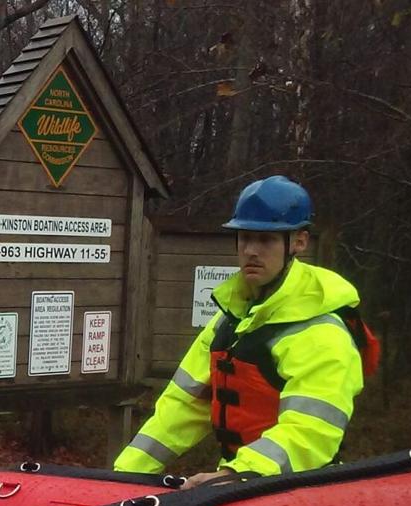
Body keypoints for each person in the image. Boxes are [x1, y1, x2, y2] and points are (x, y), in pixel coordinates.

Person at [115, 176, 374, 488]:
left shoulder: (324, 333)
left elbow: (309, 432)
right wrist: (124, 476)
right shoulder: (230, 318)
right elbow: (183, 404)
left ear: (300, 242)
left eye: (266, 240)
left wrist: (236, 475)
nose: (251, 251)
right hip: (240, 484)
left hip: (300, 493)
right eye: (244, 238)